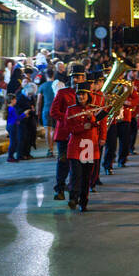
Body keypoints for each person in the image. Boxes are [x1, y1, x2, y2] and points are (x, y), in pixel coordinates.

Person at [65, 83, 106, 211]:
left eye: (83, 94)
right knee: (75, 174)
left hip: (89, 146)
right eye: (78, 94)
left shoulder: (95, 109)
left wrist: (92, 119)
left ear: (88, 95)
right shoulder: (71, 109)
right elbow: (68, 127)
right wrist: (83, 127)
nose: (80, 97)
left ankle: (84, 202)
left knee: (86, 176)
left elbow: (102, 124)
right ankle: (73, 198)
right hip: (76, 146)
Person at [49, 64, 85, 201]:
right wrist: (68, 120)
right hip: (64, 134)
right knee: (63, 162)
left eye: (79, 77)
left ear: (83, 78)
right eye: (74, 77)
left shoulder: (87, 95)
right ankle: (59, 188)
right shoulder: (63, 93)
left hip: (81, 134)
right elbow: (54, 112)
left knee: (79, 165)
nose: (76, 80)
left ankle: (75, 191)